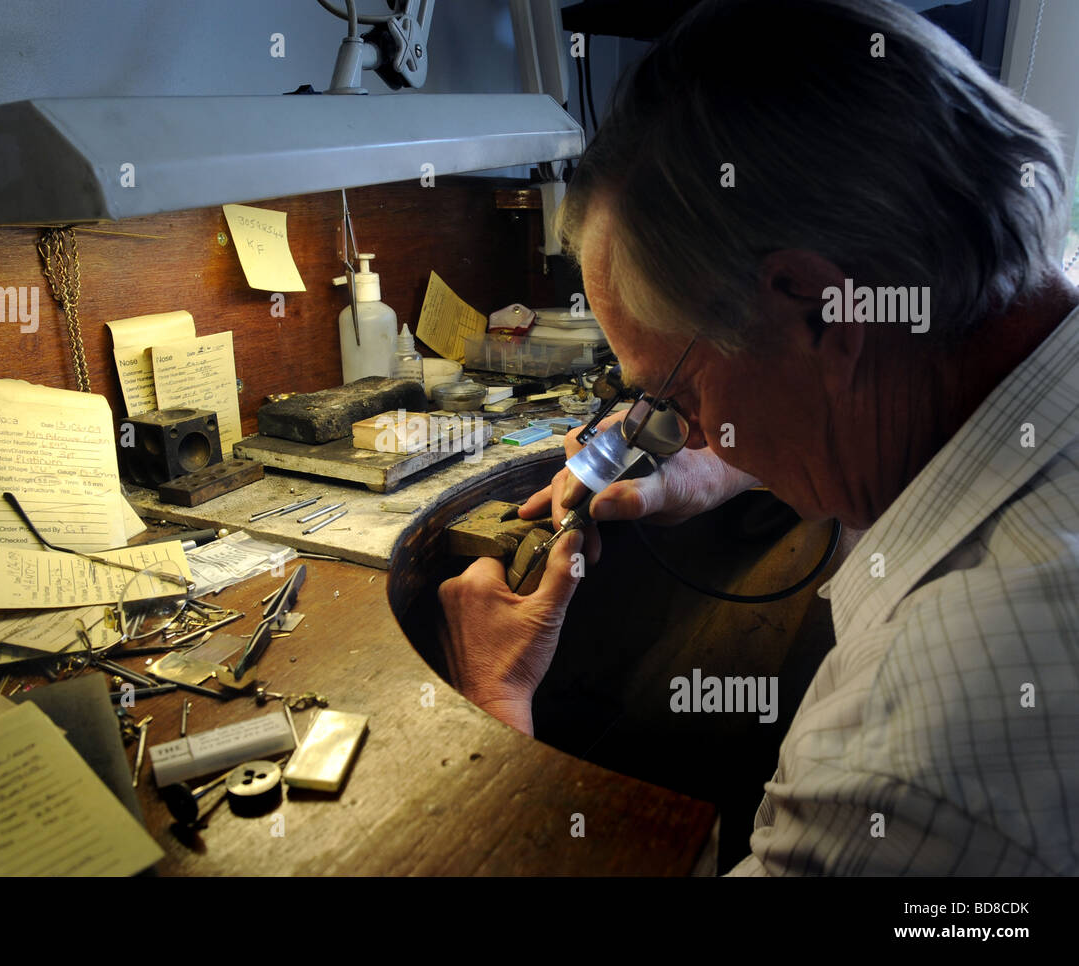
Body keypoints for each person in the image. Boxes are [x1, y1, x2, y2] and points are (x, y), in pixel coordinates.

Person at [439, 0, 1079, 875]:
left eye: (677, 392)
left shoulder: (910, 765)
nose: (687, 433)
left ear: (819, 313)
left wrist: (490, 713)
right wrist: (728, 464)